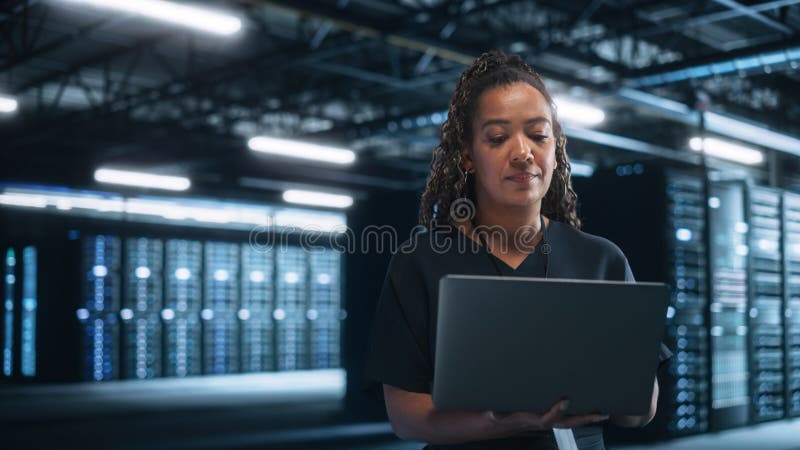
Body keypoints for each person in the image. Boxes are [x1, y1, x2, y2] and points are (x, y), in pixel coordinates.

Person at [364, 50, 671, 450]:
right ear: (467, 156)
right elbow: (406, 417)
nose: (523, 152)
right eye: (497, 137)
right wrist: (504, 423)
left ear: (555, 150)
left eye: (538, 135)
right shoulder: (421, 261)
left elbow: (639, 412)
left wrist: (617, 383)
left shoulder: (602, 259)